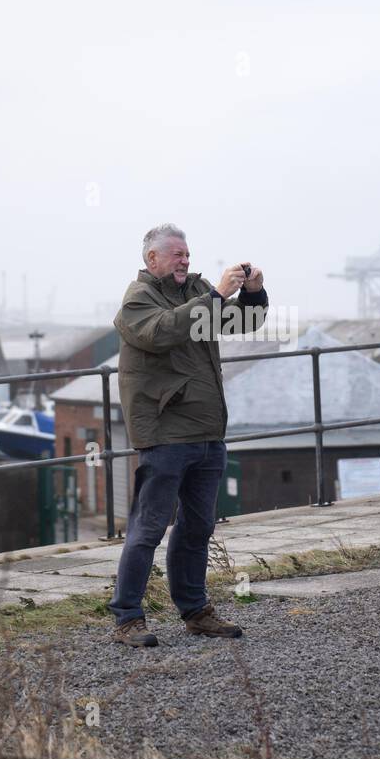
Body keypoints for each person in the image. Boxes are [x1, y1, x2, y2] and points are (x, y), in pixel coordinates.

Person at [108, 223, 268, 647]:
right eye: (177, 254)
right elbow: (163, 332)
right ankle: (127, 618)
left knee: (198, 527)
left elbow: (243, 323)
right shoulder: (138, 301)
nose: (186, 261)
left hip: (206, 430)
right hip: (164, 432)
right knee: (149, 527)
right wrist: (215, 295)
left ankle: (195, 612)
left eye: (187, 254)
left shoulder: (194, 290)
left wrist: (252, 292)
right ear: (152, 259)